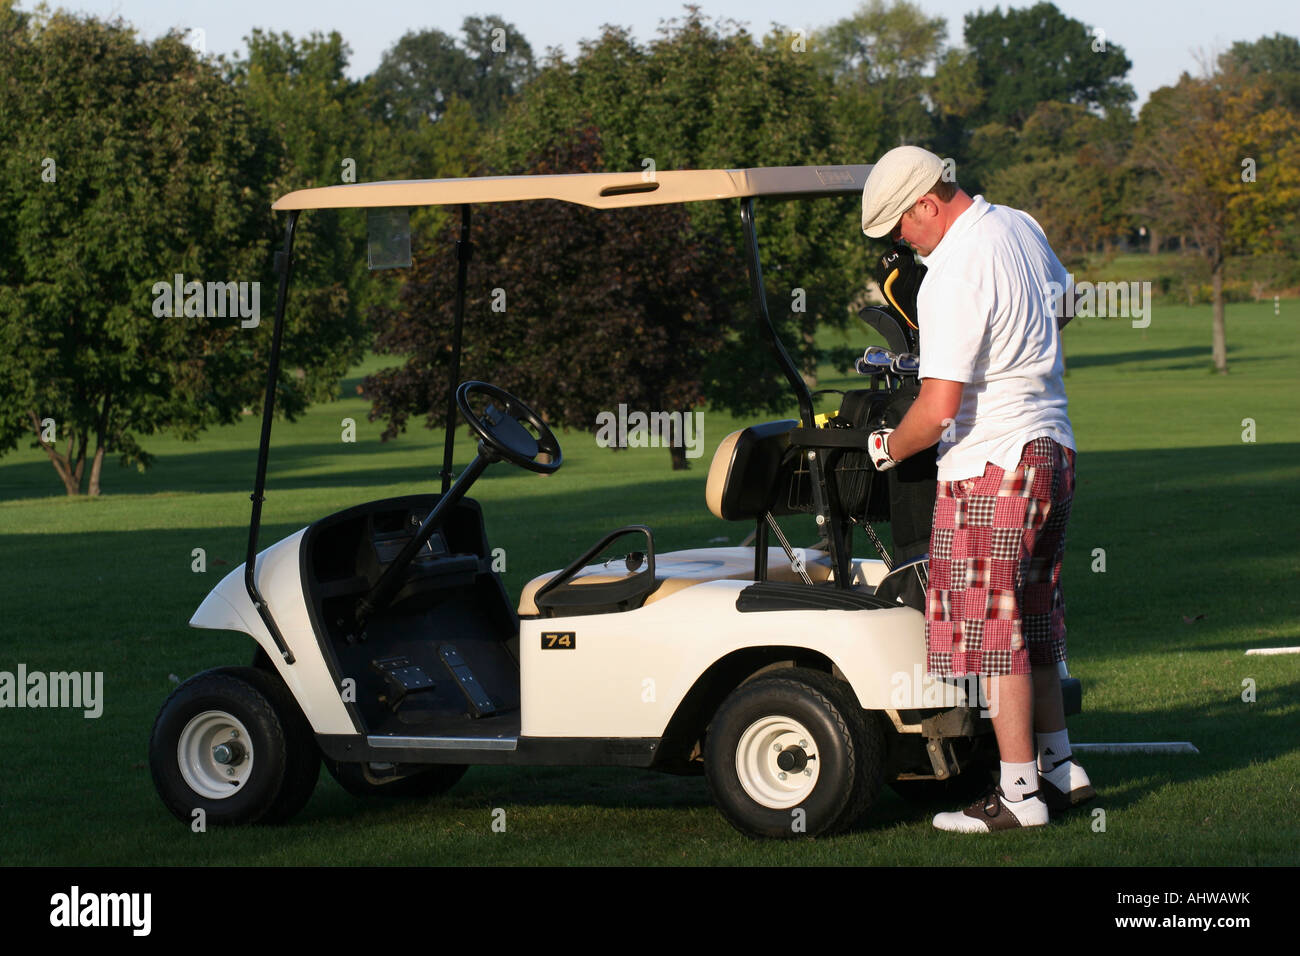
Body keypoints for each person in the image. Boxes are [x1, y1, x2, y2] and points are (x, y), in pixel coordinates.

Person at [859, 145, 1094, 832]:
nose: (902, 241)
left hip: (990, 461)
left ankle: (1018, 796)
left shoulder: (952, 273)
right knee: (1035, 618)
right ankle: (1058, 769)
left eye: (901, 225)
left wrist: (885, 447)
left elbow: (935, 412)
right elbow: (1065, 303)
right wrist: (1017, 349)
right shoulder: (1020, 225)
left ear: (927, 202)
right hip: (1051, 447)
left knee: (997, 637)